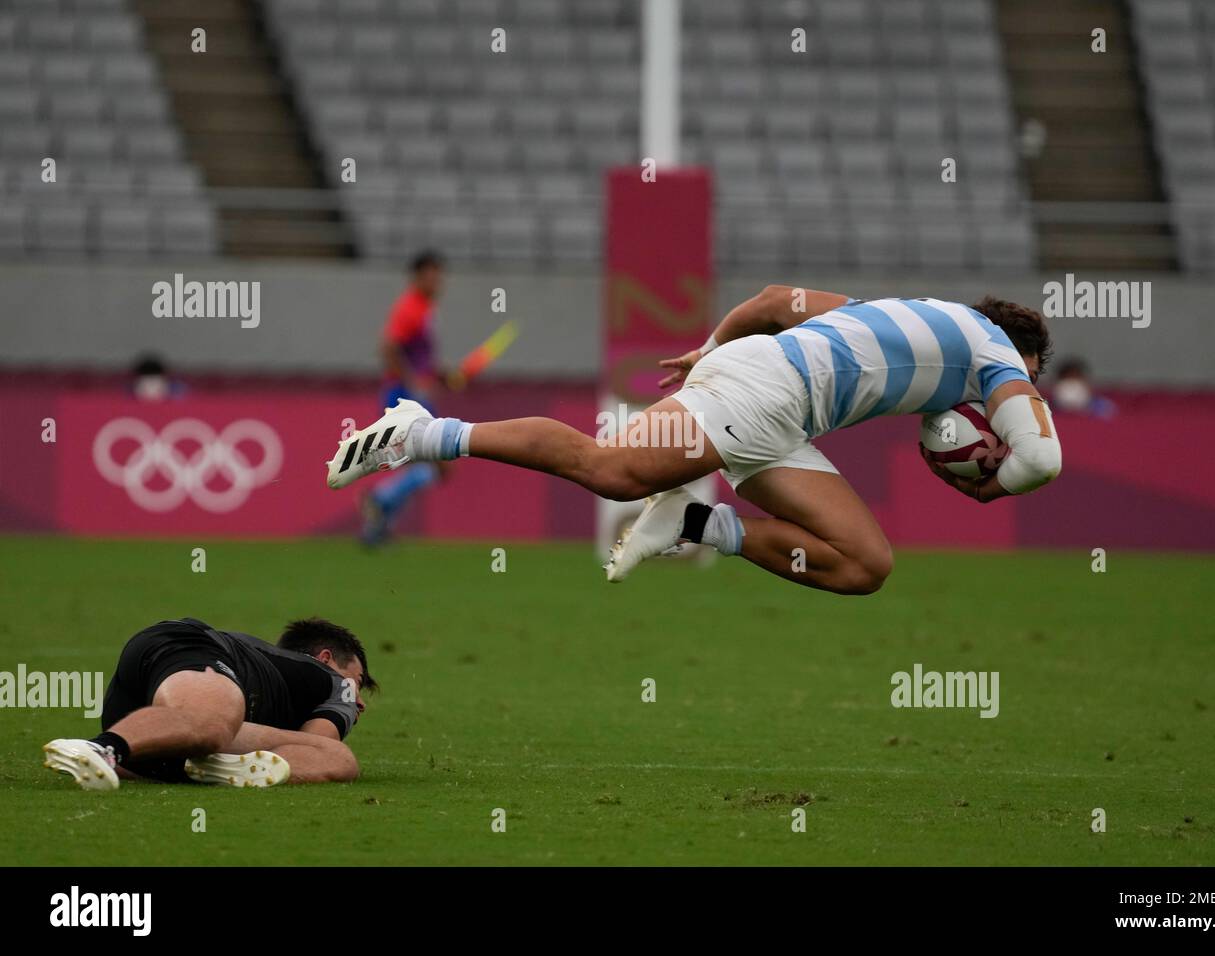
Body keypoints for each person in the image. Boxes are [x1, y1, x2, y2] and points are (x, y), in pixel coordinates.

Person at [326, 287, 1063, 595]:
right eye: (1024, 383)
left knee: (865, 565)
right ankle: (421, 432)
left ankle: (694, 522)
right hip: (766, 389)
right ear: (1022, 359)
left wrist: (705, 348)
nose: (1010, 399)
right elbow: (1041, 458)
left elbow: (777, 301)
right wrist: (993, 485)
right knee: (610, 470)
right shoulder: (996, 357)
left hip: (784, 417)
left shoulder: (926, 317)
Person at [43, 617, 375, 790]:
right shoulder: (333, 682)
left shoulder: (279, 677)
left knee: (341, 760)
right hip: (186, 651)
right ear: (325, 658)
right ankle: (104, 748)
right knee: (214, 725)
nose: (358, 702)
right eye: (358, 682)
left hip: (142, 705)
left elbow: (325, 753)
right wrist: (345, 694)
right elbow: (321, 740)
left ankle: (192, 766)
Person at [360, 249, 452, 545]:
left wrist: (439, 375)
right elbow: (388, 347)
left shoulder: (424, 308)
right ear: (417, 276)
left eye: (440, 274)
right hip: (406, 398)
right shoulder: (411, 308)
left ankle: (378, 525)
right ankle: (380, 499)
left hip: (411, 395)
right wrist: (414, 384)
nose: (438, 280)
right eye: (431, 274)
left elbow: (417, 357)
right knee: (436, 465)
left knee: (425, 465)